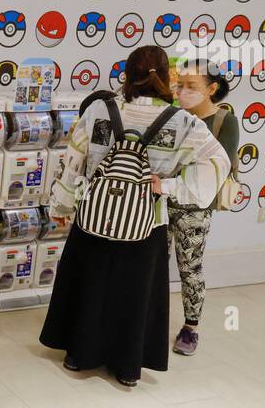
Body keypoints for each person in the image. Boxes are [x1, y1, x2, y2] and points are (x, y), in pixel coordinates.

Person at [40, 45, 231, 386]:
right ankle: (128, 368)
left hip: (95, 214)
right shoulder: (183, 122)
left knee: (91, 285)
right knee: (134, 292)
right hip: (146, 221)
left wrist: (62, 205)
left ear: (127, 74)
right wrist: (170, 186)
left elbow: (74, 161)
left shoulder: (100, 109)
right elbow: (218, 164)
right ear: (167, 79)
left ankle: (79, 354)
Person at [168, 59, 240, 356]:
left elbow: (217, 168)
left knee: (190, 267)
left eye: (192, 87)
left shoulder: (224, 121)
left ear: (211, 88)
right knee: (151, 264)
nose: (183, 92)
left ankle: (190, 328)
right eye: (180, 85)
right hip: (159, 200)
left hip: (195, 207)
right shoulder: (171, 116)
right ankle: (147, 317)